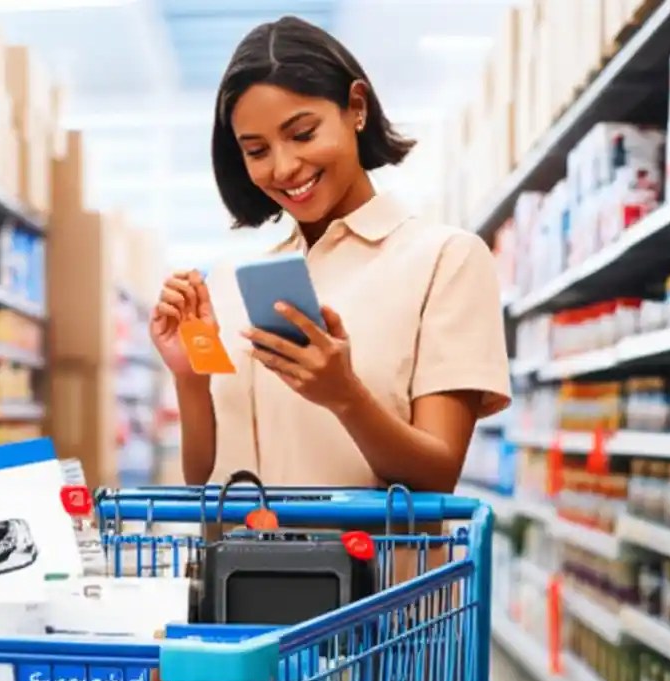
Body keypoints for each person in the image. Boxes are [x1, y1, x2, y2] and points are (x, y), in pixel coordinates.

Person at [150, 16, 510, 492]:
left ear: (355, 107)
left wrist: (345, 397)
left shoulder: (446, 260)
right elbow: (204, 477)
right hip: (240, 566)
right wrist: (190, 377)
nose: (284, 167)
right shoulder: (233, 281)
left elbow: (439, 473)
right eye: (257, 151)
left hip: (370, 567)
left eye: (302, 134)